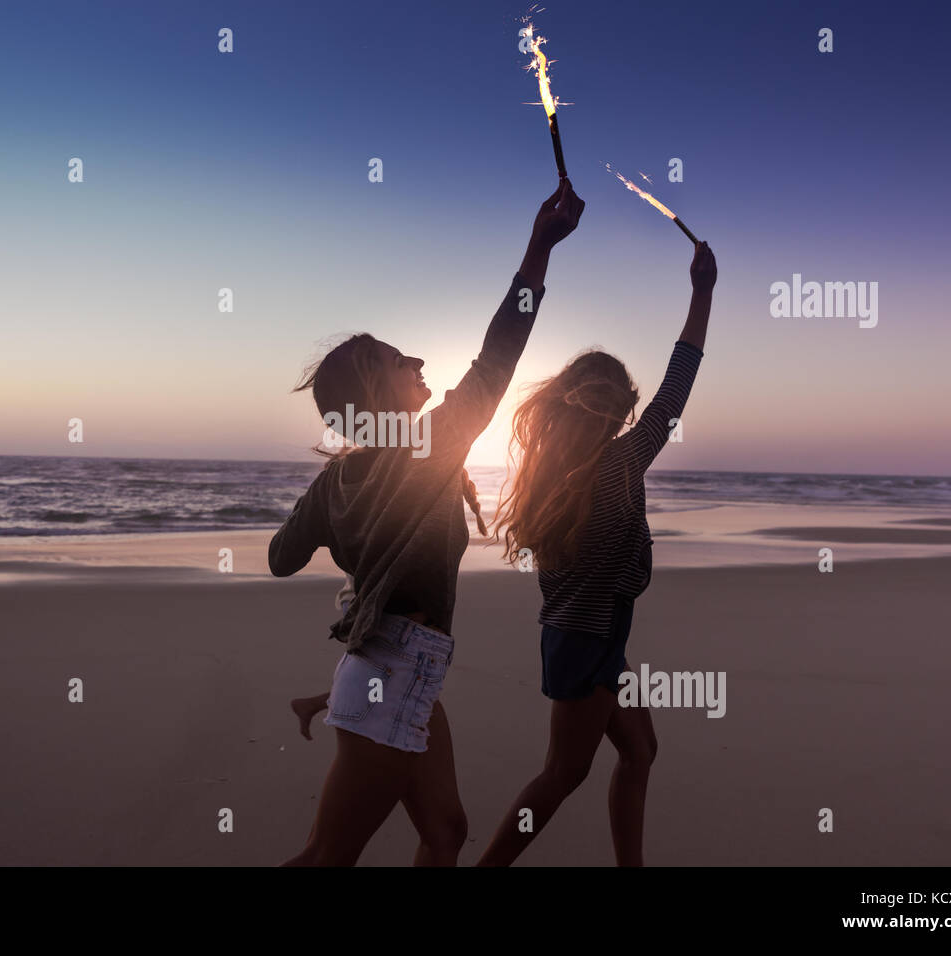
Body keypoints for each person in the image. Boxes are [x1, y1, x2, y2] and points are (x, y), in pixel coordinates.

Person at [269, 180, 585, 866]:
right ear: (378, 391)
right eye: (397, 358)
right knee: (328, 856)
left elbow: (279, 557)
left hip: (393, 668)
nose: (417, 361)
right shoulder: (429, 445)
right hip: (391, 670)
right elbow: (501, 352)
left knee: (444, 833)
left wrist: (353, 541)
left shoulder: (339, 478)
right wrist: (540, 246)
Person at [476, 241, 717, 866]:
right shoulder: (621, 461)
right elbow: (679, 384)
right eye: (625, 407)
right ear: (617, 410)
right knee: (562, 774)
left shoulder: (545, 472)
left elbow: (669, 395)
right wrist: (702, 292)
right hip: (587, 641)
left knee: (639, 750)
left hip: (585, 636)